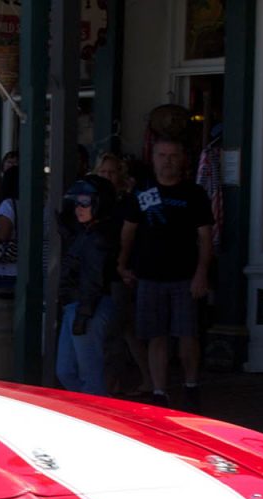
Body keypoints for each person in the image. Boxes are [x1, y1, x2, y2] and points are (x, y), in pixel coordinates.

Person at [118, 138, 214, 410]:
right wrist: (122, 264)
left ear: (182, 158)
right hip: (149, 276)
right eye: (162, 155)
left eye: (173, 155)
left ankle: (191, 385)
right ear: (154, 158)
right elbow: (128, 232)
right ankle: (160, 391)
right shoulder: (142, 192)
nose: (167, 160)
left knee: (187, 336)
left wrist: (202, 273)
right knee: (155, 336)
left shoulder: (194, 194)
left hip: (184, 276)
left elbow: (205, 237)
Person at [55, 176, 120, 396]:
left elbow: (93, 279)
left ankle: (99, 418)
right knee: (66, 371)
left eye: (85, 202)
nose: (79, 208)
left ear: (99, 204)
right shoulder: (87, 233)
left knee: (90, 377)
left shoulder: (99, 238)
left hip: (88, 307)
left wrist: (84, 314)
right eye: (76, 203)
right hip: (76, 306)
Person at [96, 150, 149, 395]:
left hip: (120, 271)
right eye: (103, 171)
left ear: (120, 174)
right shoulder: (94, 200)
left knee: (118, 330)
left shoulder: (128, 202)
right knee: (124, 329)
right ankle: (143, 377)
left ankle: (114, 384)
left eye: (112, 171)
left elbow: (129, 238)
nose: (107, 176)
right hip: (99, 270)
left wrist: (124, 266)